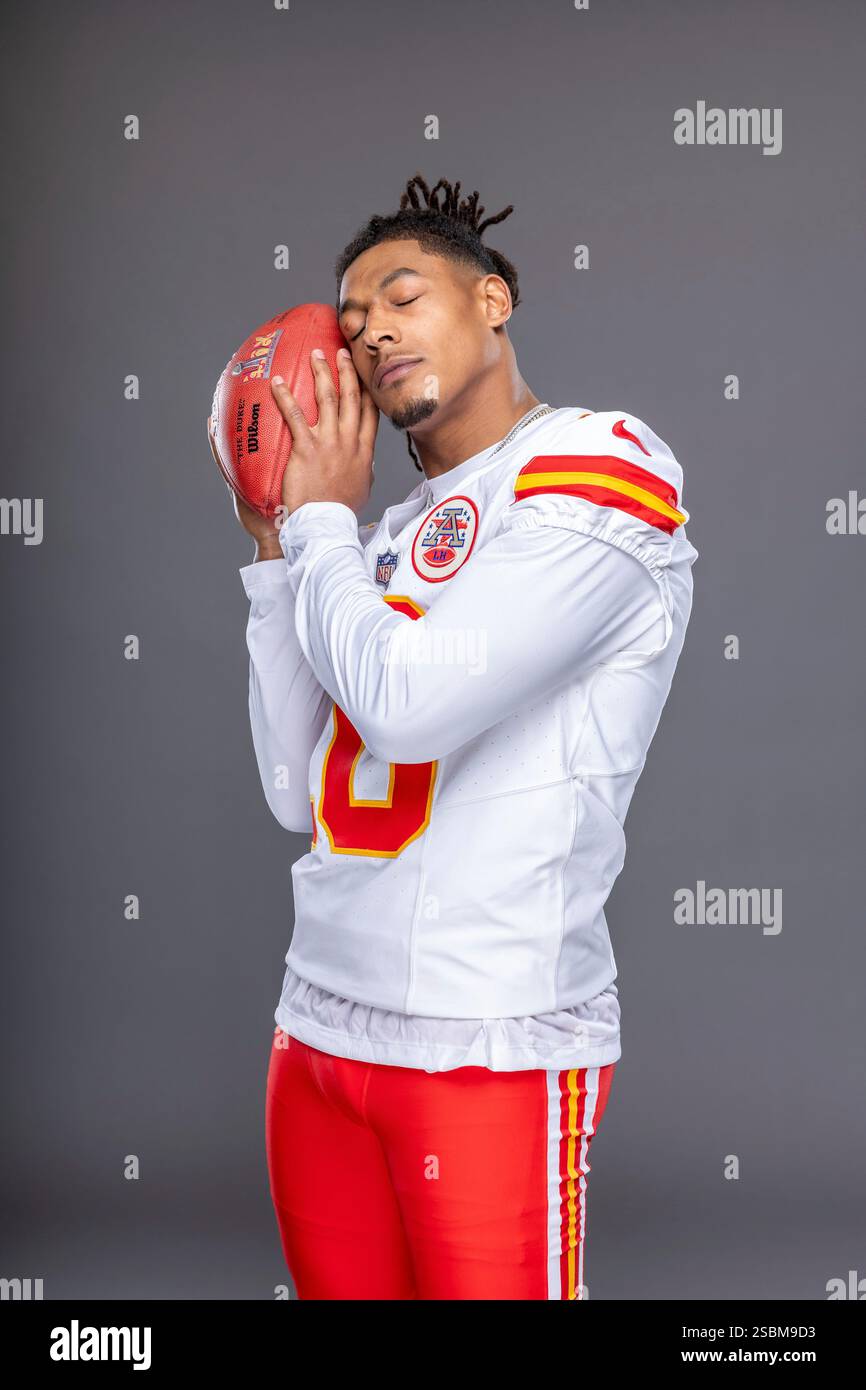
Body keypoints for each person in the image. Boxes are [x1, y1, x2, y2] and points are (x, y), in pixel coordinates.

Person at [233, 172, 698, 1300]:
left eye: (401, 295)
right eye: (350, 326)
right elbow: (297, 788)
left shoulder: (599, 465)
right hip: (316, 1037)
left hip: (482, 1041)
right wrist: (270, 552)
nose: (373, 331)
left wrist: (316, 530)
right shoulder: (372, 540)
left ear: (495, 299)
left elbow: (405, 706)